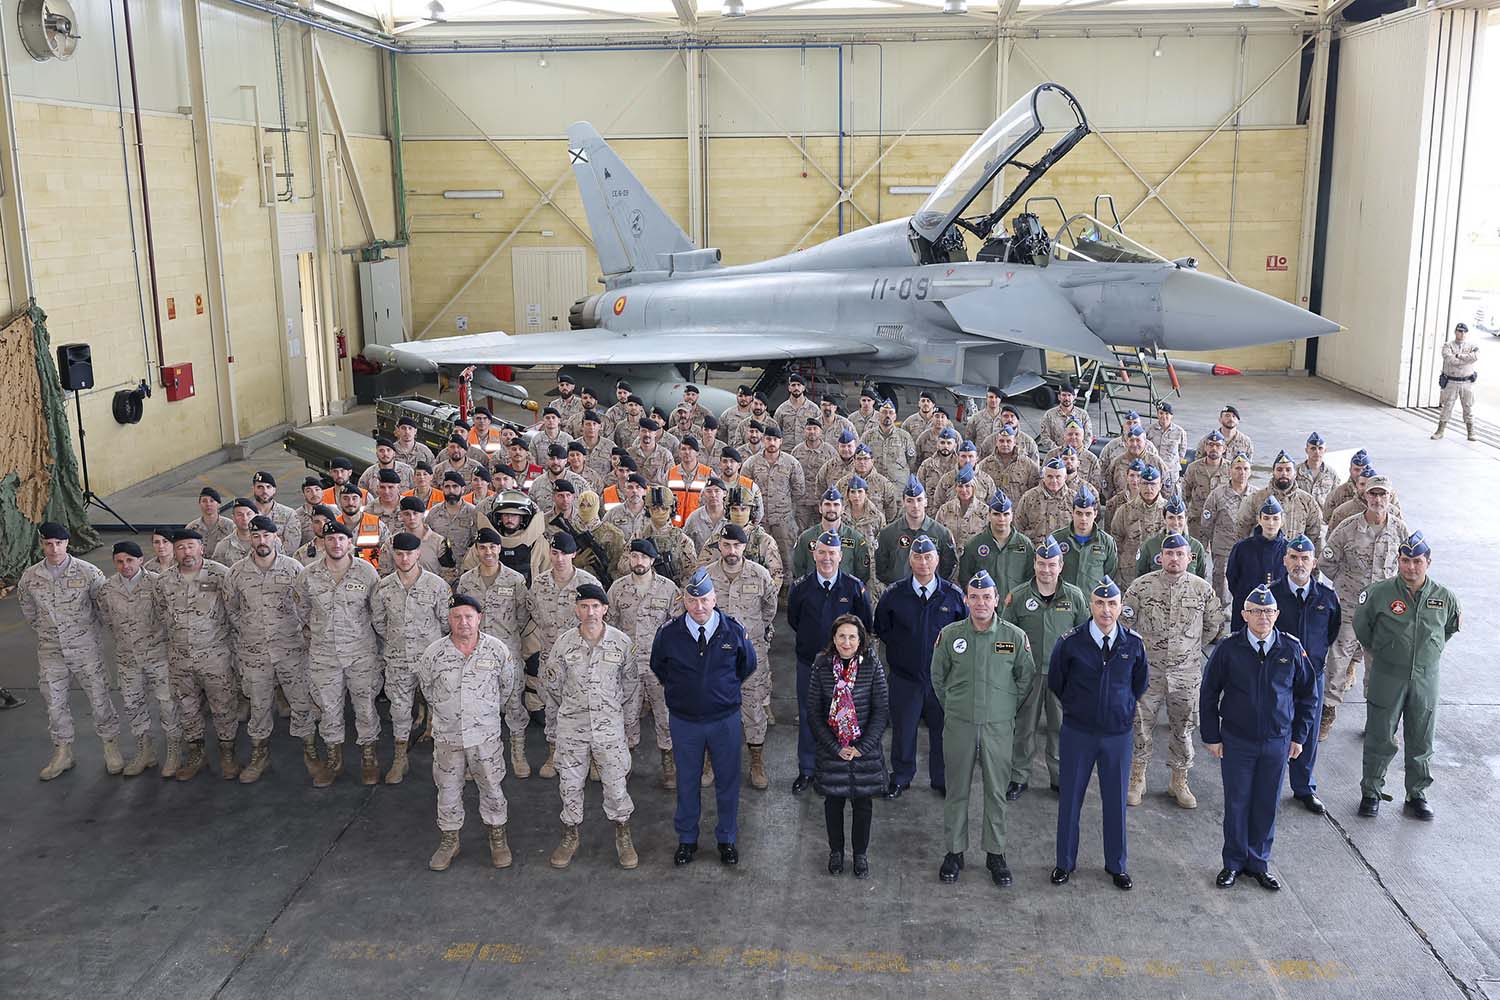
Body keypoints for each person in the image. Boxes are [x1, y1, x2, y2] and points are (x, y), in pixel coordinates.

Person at [1200, 585, 1317, 890]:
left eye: (1268, 611)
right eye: (1255, 611)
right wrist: (1211, 735)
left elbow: (1308, 696)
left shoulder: (1290, 649)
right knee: (1237, 802)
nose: (1262, 617)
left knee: (1266, 803)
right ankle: (1233, 863)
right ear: (1244, 614)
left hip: (1277, 741)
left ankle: (1258, 862)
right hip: (1238, 740)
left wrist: (1299, 737)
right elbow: (1209, 692)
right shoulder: (1228, 648)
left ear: (1276, 614)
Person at [930, 570, 1035, 887]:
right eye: (974, 597)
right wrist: (955, 706)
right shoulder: (950, 635)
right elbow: (938, 677)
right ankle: (954, 851)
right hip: (959, 725)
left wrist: (1004, 707)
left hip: (998, 727)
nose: (980, 603)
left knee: (996, 791)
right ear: (965, 599)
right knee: (956, 790)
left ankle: (995, 853)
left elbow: (1025, 678)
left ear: (997, 599)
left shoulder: (1013, 637)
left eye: (986, 597)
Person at [651, 568, 758, 866]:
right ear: (684, 600)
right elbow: (658, 666)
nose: (699, 607)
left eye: (705, 600)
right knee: (686, 782)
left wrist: (720, 693)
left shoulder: (733, 631)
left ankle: (727, 838)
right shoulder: (669, 634)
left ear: (715, 599)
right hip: (685, 722)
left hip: (724, 721)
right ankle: (687, 839)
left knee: (727, 781)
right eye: (692, 600)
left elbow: (746, 666)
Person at [1049, 576, 1148, 890]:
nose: (1106, 610)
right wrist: (1080, 707)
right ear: (1090, 605)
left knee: (1116, 802)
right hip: (1078, 733)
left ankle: (1116, 865)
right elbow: (1057, 681)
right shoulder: (1071, 642)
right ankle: (1064, 863)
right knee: (1070, 801)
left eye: (1112, 604)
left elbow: (1139, 684)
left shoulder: (1133, 644)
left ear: (1121, 607)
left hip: (1117, 736)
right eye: (1100, 603)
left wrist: (1119, 708)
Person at [1354, 531, 1460, 821]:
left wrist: (1427, 654)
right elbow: (1362, 626)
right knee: (1380, 735)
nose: (1409, 567)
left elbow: (1448, 629)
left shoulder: (1444, 597)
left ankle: (1417, 794)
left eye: (1416, 561)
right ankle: (1371, 791)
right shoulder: (1379, 593)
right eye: (1404, 560)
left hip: (1426, 677)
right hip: (1387, 674)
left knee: (1422, 737)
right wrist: (1386, 650)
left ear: (1428, 562)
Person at [416, 593, 524, 872]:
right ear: (448, 620)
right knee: (448, 790)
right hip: (448, 737)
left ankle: (497, 837)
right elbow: (427, 690)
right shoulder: (434, 654)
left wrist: (483, 714)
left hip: (485, 737)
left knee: (492, 786)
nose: (463, 622)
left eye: (468, 617)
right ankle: (450, 839)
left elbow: (506, 687)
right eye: (456, 617)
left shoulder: (497, 651)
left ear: (479, 619)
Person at [1122, 533, 1224, 809]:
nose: (1174, 559)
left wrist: (1189, 649)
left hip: (1185, 674)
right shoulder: (1141, 587)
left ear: (1190, 558)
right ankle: (1137, 778)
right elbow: (1125, 623)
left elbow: (1214, 625)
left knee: (1183, 728)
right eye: (1169, 554)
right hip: (1148, 672)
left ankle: (1179, 781)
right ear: (1161, 557)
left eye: (1180, 554)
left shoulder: (1202, 589)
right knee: (1141, 726)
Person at [544, 584, 639, 870]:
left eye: (595, 606)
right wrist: (574, 708)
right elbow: (553, 686)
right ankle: (570, 835)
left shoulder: (622, 643)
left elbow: (631, 685)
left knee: (616, 783)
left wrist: (617, 715)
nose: (590, 612)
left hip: (609, 727)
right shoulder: (563, 644)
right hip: (573, 728)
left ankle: (623, 834)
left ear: (605, 609)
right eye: (584, 606)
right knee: (570, 785)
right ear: (577, 609)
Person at [19, 522, 122, 780]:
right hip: (51, 650)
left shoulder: (88, 573)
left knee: (99, 698)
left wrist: (85, 634)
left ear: (67, 543)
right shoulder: (31, 577)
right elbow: (30, 613)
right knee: (54, 702)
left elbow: (103, 609)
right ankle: (63, 752)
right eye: (48, 544)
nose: (53, 549)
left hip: (85, 648)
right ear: (42, 544)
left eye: (59, 543)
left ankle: (111, 747)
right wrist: (51, 633)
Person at [221, 516, 316, 784]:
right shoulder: (237, 573)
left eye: (266, 535)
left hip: (291, 651)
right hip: (255, 654)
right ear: (250, 539)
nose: (261, 541)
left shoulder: (294, 569)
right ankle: (259, 756)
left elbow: (305, 606)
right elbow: (232, 609)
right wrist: (252, 631)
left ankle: (311, 754)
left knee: (301, 702)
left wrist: (295, 631)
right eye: (256, 536)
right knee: (259, 707)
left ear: (277, 537)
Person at [873, 535, 968, 799]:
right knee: (903, 731)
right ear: (909, 560)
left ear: (937, 560)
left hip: (941, 681)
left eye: (928, 557)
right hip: (905, 679)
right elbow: (882, 628)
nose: (923, 563)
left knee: (942, 731)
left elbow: (965, 633)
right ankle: (901, 777)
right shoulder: (893, 596)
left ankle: (941, 779)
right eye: (918, 557)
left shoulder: (953, 596)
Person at [291, 520, 381, 787]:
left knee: (365, 706)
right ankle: (334, 758)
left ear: (349, 542)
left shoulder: (367, 573)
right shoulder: (308, 575)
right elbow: (302, 611)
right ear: (324, 543)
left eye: (341, 539)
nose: (336, 544)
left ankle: (368, 756)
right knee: (328, 708)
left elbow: (376, 613)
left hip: (360, 653)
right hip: (324, 655)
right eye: (331, 539)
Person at [1002, 535, 1089, 799]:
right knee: (1023, 727)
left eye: (1052, 564)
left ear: (1061, 565)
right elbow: (1006, 637)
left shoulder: (1074, 597)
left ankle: (1061, 778)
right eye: (1041, 564)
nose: (1046, 569)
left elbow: (1084, 637)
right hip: (1028, 676)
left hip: (1062, 675)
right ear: (1034, 564)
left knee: (1060, 728)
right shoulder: (1017, 597)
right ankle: (1019, 776)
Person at [1319, 476, 1406, 739]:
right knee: (1338, 659)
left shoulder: (1400, 530)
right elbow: (1327, 562)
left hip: (1382, 613)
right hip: (1349, 608)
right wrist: (1346, 587)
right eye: (1373, 495)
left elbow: (1406, 567)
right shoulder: (1347, 528)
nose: (1378, 500)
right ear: (1365, 497)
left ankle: (1375, 717)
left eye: (1383, 495)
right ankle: (1328, 711)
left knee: (1378, 665)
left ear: (1390, 497)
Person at [787, 532, 873, 792]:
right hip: (810, 665)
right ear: (814, 554)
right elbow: (793, 620)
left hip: (846, 667)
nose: (826, 558)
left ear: (840, 556)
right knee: (809, 715)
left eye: (831, 553)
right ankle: (808, 769)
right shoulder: (800, 588)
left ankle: (840, 766)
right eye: (822, 552)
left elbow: (865, 625)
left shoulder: (853, 587)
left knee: (847, 716)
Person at [807, 614, 890, 878]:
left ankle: (860, 855)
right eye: (841, 636)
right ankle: (836, 852)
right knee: (833, 804)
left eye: (852, 636)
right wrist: (835, 747)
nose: (847, 642)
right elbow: (813, 712)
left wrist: (862, 747)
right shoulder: (821, 666)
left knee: (863, 805)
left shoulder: (871, 666)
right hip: (833, 752)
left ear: (860, 639)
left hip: (864, 752)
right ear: (833, 638)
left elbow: (881, 711)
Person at [371, 531, 452, 784]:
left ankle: (447, 761)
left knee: (441, 708)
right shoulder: (383, 587)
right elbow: (379, 622)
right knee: (399, 711)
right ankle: (399, 759)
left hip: (430, 660)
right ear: (393, 555)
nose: (405, 559)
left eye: (409, 553)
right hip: (397, 660)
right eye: (400, 554)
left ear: (419, 554)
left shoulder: (437, 586)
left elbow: (446, 623)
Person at [95, 541, 180, 777]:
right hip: (127, 658)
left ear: (141, 560)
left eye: (130, 560)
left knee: (167, 703)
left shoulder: (157, 584)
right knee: (133, 705)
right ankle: (145, 751)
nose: (125, 566)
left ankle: (173, 750)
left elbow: (169, 617)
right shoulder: (107, 589)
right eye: (120, 561)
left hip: (158, 656)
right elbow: (107, 619)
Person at [1269, 535, 1341, 813]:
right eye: (1294, 558)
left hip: (1312, 675)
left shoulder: (1326, 597)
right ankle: (1270, 787)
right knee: (1276, 731)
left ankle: (1304, 788)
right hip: (1278, 677)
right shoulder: (1272, 596)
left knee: (1307, 733)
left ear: (1314, 563)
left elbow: (1331, 631)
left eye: (1305, 559)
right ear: (1285, 560)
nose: (1299, 563)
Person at [455, 526, 533, 777]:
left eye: (492, 547)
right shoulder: (467, 581)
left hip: (507, 652)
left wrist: (507, 638)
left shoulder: (515, 580)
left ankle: (517, 754)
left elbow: (522, 615)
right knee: (477, 707)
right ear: (476, 550)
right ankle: (480, 759)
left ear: (500, 549)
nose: (487, 552)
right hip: (475, 654)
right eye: (482, 547)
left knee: (513, 704)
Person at [606, 539, 684, 787]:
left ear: (652, 561)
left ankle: (668, 763)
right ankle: (624, 763)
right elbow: (610, 627)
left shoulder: (668, 589)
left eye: (644, 558)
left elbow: (677, 628)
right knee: (627, 715)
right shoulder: (617, 589)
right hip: (627, 665)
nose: (638, 562)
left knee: (664, 714)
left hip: (658, 665)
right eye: (634, 556)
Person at [706, 525, 778, 790]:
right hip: (714, 657)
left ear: (744, 547)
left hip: (751, 653)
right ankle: (711, 760)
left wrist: (756, 633)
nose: (731, 551)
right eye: (726, 545)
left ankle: (756, 761)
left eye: (737, 545)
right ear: (719, 546)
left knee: (753, 707)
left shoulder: (760, 575)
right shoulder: (706, 577)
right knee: (713, 708)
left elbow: (770, 608)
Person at [874, 475, 958, 586]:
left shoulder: (941, 533)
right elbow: (881, 569)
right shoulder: (888, 533)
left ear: (926, 502)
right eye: (910, 501)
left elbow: (948, 567)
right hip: (900, 594)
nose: (915, 505)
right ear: (903, 502)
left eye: (919, 500)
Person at [957, 488, 1034, 597]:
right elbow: (965, 579)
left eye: (1006, 514)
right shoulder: (974, 545)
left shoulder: (1025, 545)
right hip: (985, 608)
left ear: (1012, 515)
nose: (1001, 519)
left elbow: (1031, 579)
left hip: (1016, 608)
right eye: (996, 514)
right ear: (989, 515)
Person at [1225, 496, 1288, 629]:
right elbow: (1232, 578)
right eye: (1266, 518)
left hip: (1278, 613)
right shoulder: (1242, 548)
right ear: (1259, 519)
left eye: (1275, 518)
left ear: (1282, 521)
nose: (1271, 523)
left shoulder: (1289, 550)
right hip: (1247, 611)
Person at [1433, 321, 1478, 440]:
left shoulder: (1472, 346)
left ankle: (1471, 432)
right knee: (1447, 406)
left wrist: (1459, 356)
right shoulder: (1448, 345)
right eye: (1460, 331)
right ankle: (1440, 431)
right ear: (1455, 332)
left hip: (1466, 382)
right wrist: (1466, 359)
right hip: (1451, 381)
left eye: (1464, 332)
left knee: (1468, 407)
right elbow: (1450, 360)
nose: (1462, 334)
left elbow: (1475, 357)